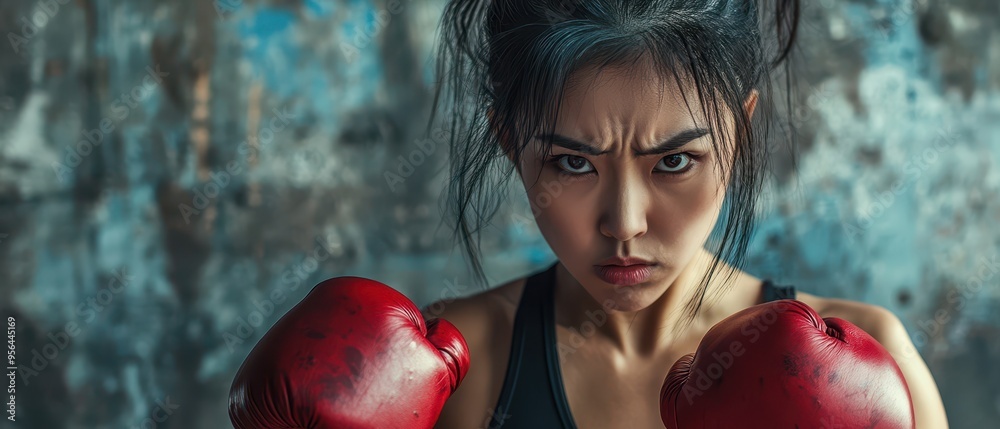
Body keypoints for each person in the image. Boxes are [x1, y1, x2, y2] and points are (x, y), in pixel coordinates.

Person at [424, 0, 949, 428]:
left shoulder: (873, 368)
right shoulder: (450, 366)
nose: (625, 223)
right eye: (573, 163)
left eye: (674, 161)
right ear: (510, 143)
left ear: (738, 134)